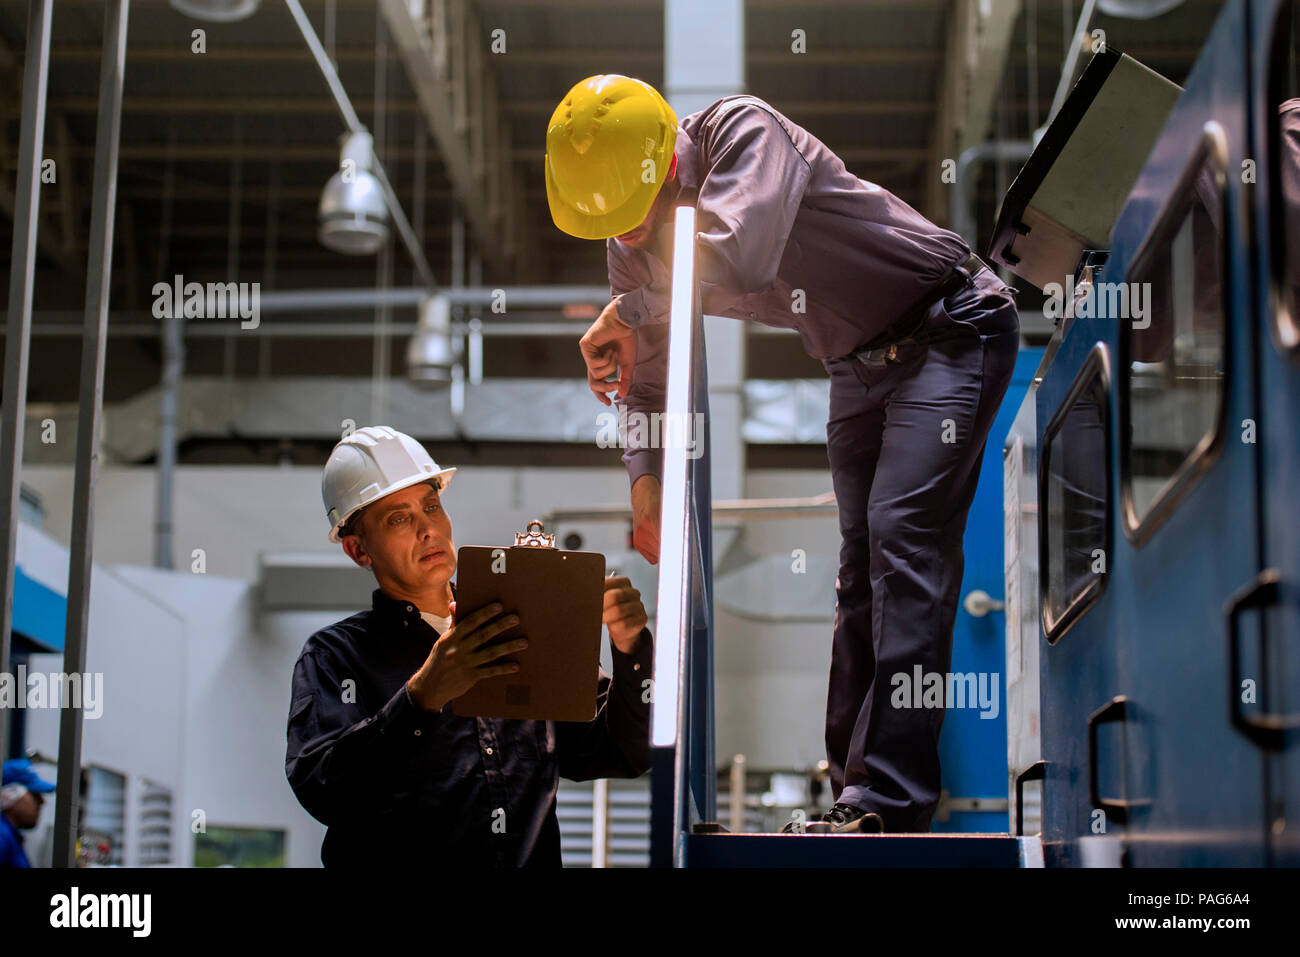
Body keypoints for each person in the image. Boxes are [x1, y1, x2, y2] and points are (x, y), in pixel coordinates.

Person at [546, 75, 1020, 833]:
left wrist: (626, 308)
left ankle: (892, 803)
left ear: (667, 160)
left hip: (950, 325)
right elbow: (643, 385)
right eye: (615, 229)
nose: (629, 238)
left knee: (905, 544)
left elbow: (737, 256)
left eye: (638, 219)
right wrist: (644, 484)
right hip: (856, 364)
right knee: (859, 573)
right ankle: (855, 800)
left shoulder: (743, 131)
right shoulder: (625, 240)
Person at [285, 425, 654, 867]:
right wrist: (421, 698)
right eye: (398, 519)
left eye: (432, 506)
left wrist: (630, 647)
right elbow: (325, 791)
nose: (427, 530)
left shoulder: (518, 627)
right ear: (358, 550)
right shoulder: (335, 657)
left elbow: (626, 750)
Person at [1, 758, 55, 868]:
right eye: (35, 794)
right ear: (10, 795)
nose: (42, 802)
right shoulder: (2, 838)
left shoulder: (10, 838)